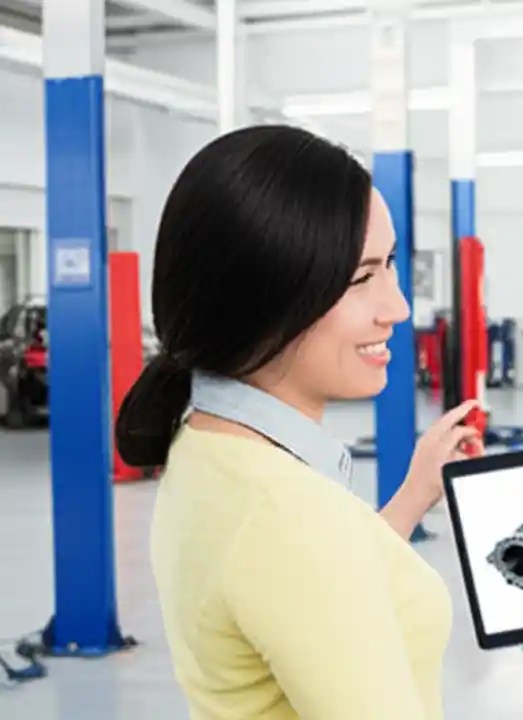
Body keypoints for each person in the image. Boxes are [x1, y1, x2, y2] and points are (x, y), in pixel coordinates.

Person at [115, 125, 481, 720]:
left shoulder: (206, 446)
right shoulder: (289, 515)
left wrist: (413, 497)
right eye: (361, 278)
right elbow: (303, 554)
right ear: (265, 298)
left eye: (390, 264)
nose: (397, 307)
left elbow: (312, 593)